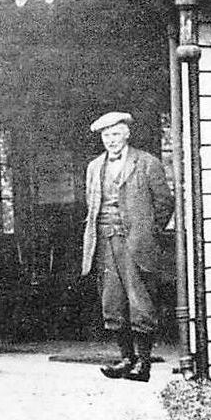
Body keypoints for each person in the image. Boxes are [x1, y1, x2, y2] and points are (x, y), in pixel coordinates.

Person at [82, 112, 175, 383]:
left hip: (135, 243)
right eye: (106, 136)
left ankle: (143, 364)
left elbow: (164, 204)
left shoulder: (147, 163)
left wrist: (147, 232)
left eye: (115, 135)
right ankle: (126, 359)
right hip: (104, 241)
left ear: (127, 135)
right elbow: (92, 205)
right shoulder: (94, 167)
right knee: (112, 302)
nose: (110, 141)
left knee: (140, 301)